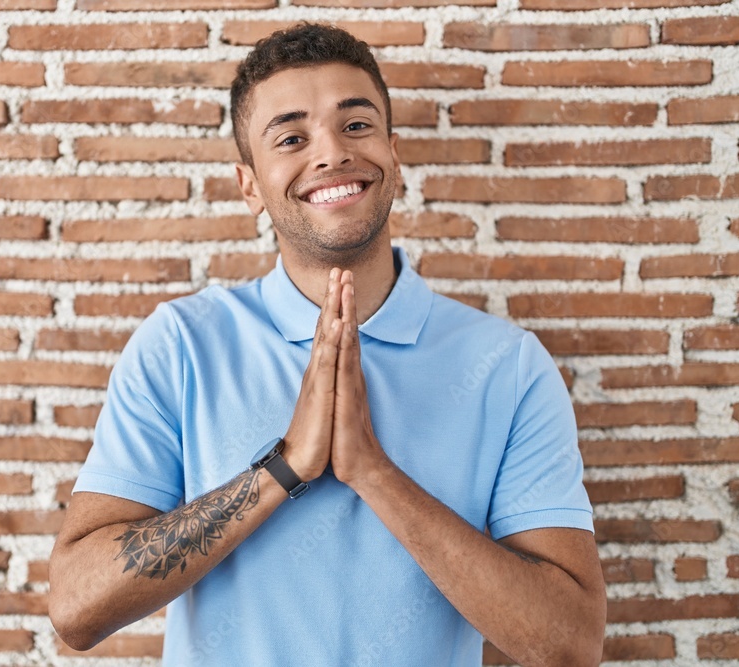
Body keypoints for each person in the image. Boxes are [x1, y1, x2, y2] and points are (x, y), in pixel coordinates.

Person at [49, 22, 606, 667]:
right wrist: (283, 468)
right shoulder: (180, 344)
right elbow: (76, 608)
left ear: (393, 152)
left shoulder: (509, 366)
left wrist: (372, 472)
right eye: (290, 138)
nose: (331, 153)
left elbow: (570, 643)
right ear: (249, 184)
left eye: (357, 125)